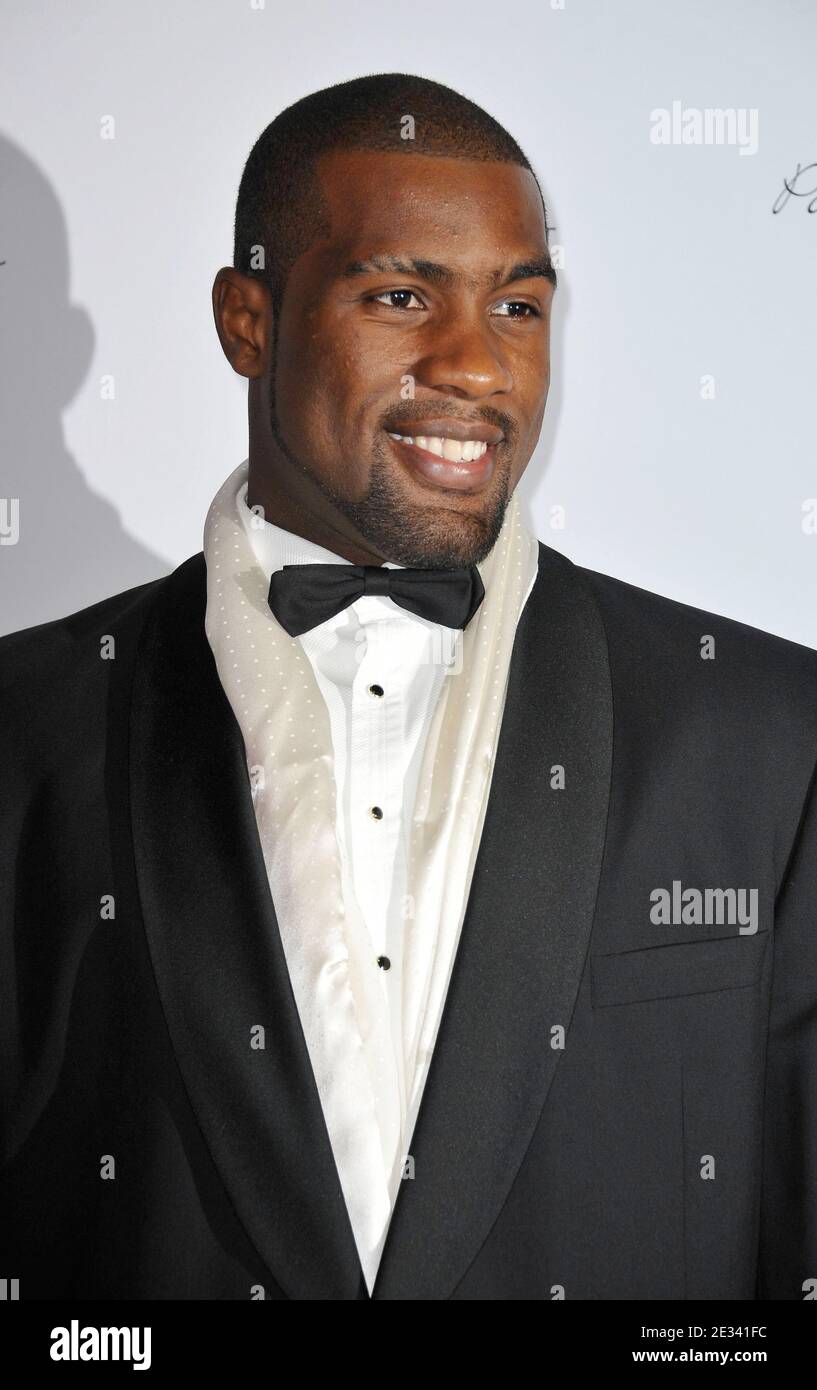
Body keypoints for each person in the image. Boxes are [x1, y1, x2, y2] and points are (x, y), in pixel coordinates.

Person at [1, 72, 816, 1302]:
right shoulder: (26, 727)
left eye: (520, 307)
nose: (478, 366)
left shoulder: (765, 731)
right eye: (398, 295)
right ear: (248, 322)